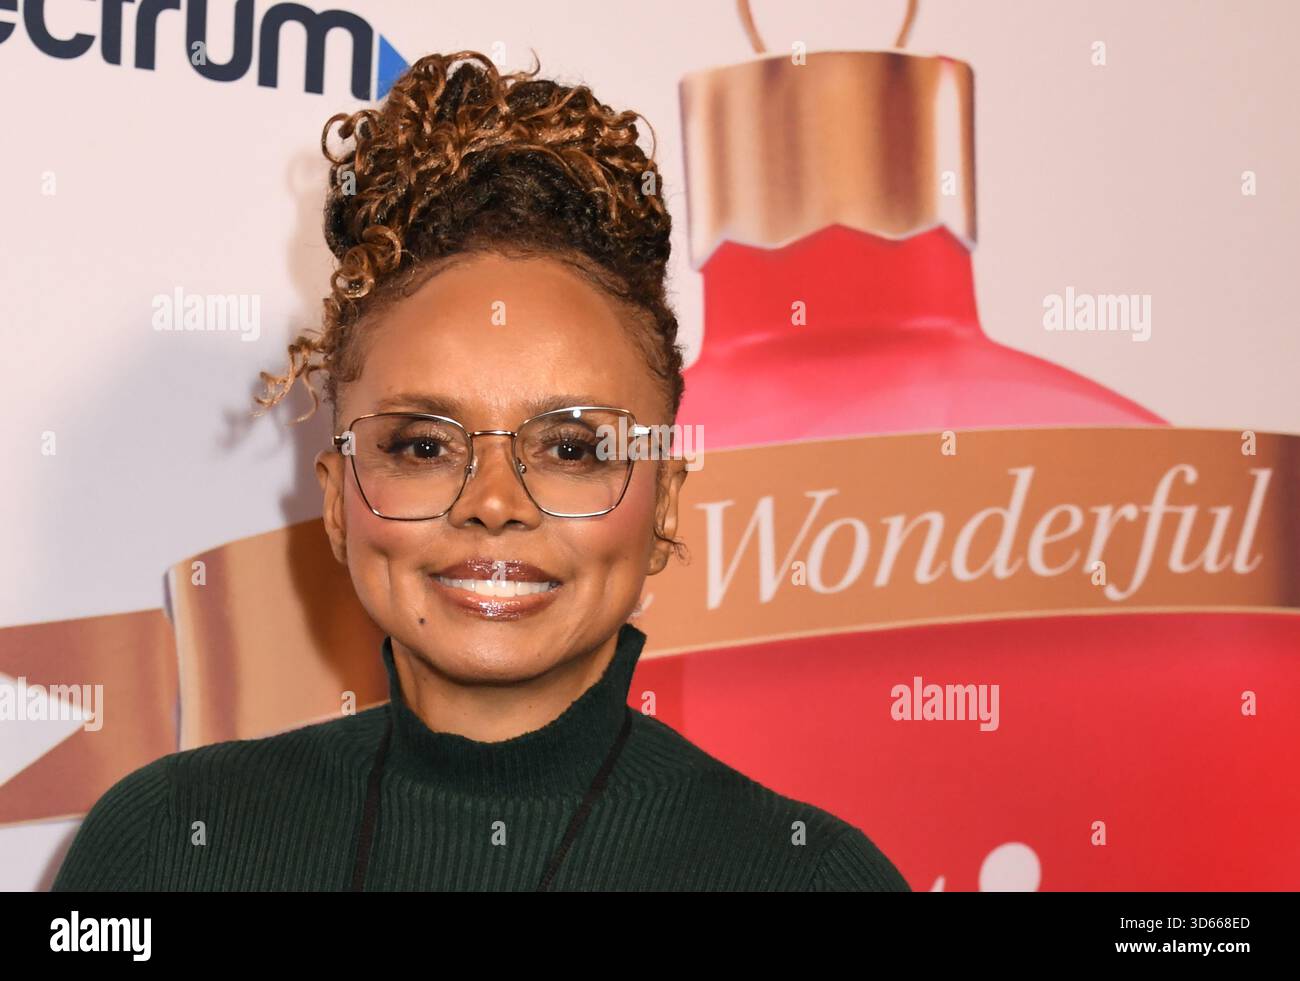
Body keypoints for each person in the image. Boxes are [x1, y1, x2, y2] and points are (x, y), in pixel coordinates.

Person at [52, 50, 909, 892]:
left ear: (664, 505)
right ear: (339, 502)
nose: (494, 503)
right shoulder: (166, 846)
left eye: (572, 448)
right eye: (425, 446)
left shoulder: (810, 875)